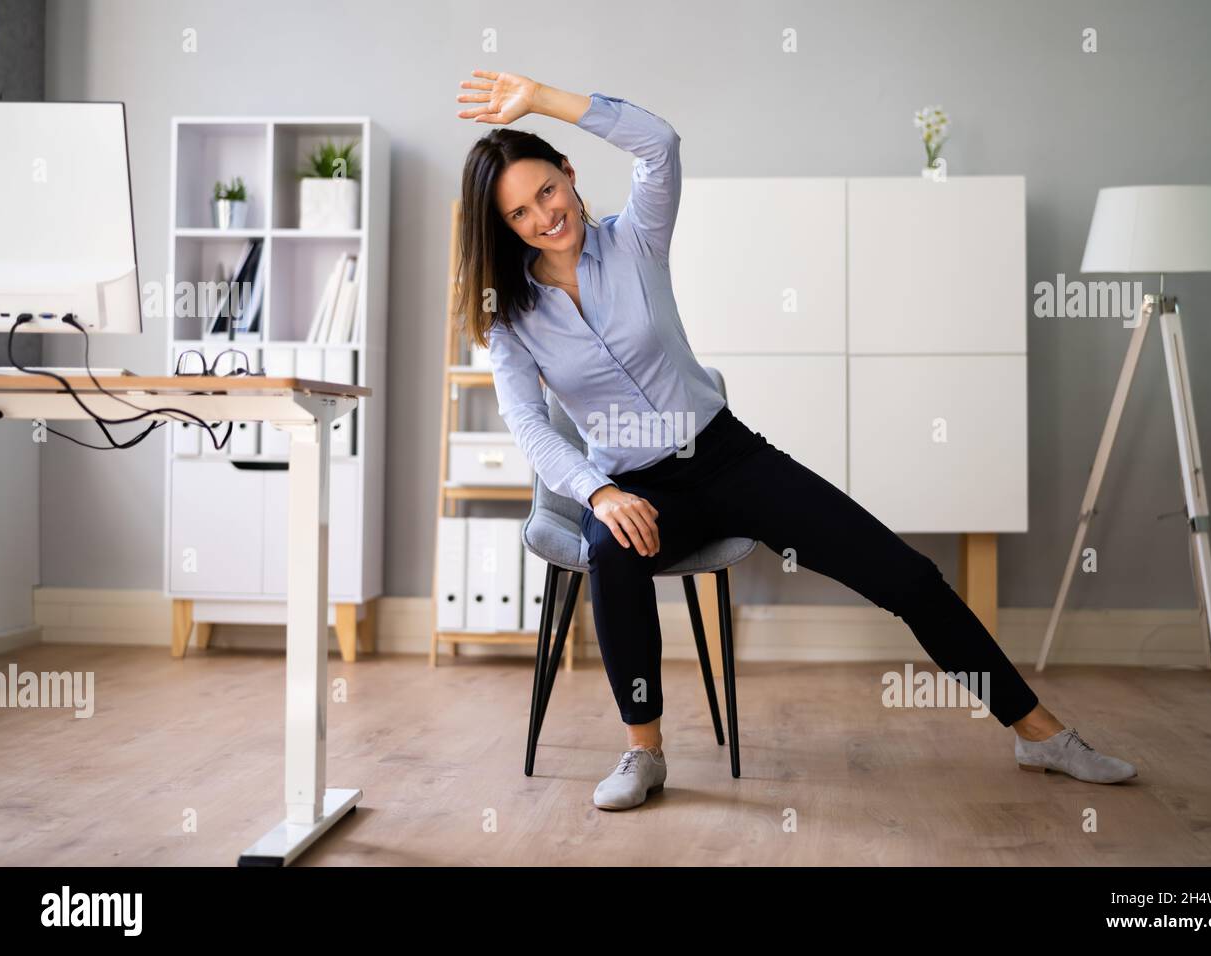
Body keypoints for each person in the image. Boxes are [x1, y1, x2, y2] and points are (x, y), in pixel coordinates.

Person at [454, 70, 1137, 810]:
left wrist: (543, 100)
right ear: (504, 227)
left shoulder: (637, 240)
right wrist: (599, 490)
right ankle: (642, 752)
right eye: (520, 213)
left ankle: (1038, 732)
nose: (543, 217)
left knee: (906, 576)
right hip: (633, 486)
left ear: (570, 175)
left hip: (727, 458)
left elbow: (661, 143)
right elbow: (527, 423)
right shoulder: (509, 317)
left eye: (547, 192)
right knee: (609, 548)